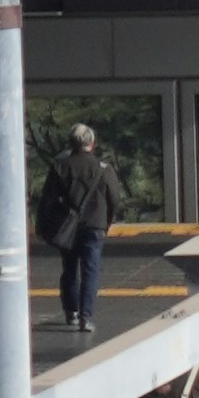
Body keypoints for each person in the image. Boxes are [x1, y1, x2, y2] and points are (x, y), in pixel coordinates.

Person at [34, 122, 122, 337]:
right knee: (90, 271)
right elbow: (115, 199)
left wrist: (45, 225)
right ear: (92, 143)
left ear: (70, 143)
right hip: (95, 225)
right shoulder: (103, 169)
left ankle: (71, 311)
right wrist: (107, 221)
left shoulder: (60, 166)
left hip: (68, 227)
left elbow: (47, 200)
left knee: (70, 269)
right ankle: (86, 316)